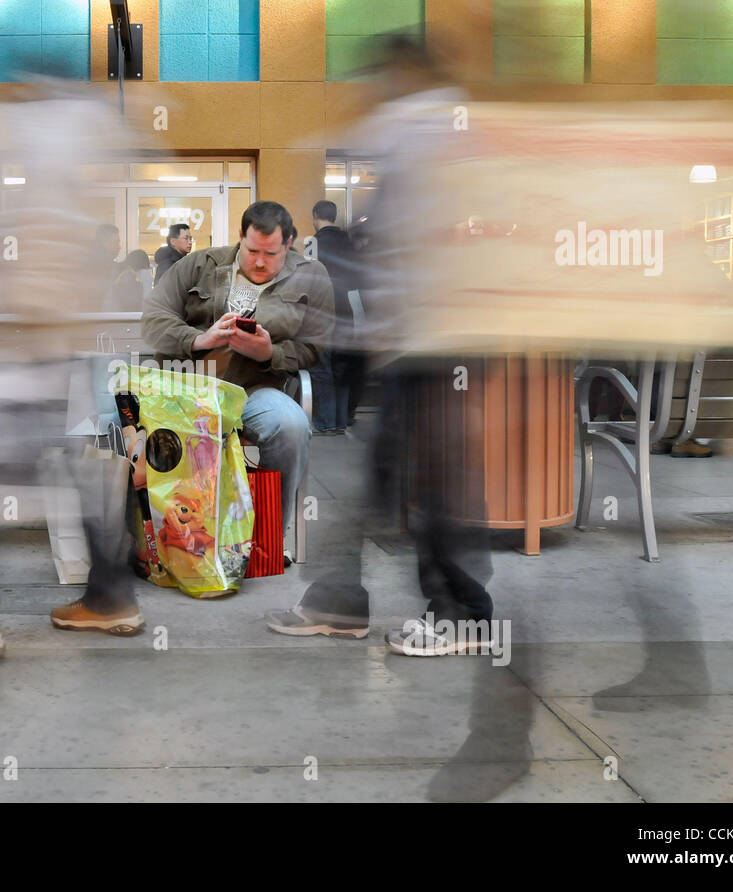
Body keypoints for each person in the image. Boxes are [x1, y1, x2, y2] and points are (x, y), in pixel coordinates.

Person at [265, 36, 497, 654]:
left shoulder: (425, 128)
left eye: (378, 77)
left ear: (403, 73)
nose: (369, 91)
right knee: (396, 477)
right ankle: (345, 600)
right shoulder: (440, 129)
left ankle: (463, 613)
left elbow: (416, 242)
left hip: (431, 344)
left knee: (429, 484)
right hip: (418, 341)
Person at [143, 200, 334, 554]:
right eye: (251, 251)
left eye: (271, 254)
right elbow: (153, 319)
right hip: (191, 385)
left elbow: (315, 346)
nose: (259, 262)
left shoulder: (312, 275)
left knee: (290, 426)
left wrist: (269, 353)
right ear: (240, 238)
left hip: (255, 389)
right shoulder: (199, 264)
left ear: (289, 242)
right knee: (137, 430)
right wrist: (199, 339)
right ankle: (174, 542)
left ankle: (265, 542)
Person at [304, 200, 365, 435]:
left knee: (321, 368)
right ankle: (341, 420)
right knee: (342, 368)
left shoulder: (312, 244)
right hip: (348, 309)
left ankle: (326, 421)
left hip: (322, 310)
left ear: (315, 216)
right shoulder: (349, 243)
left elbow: (307, 278)